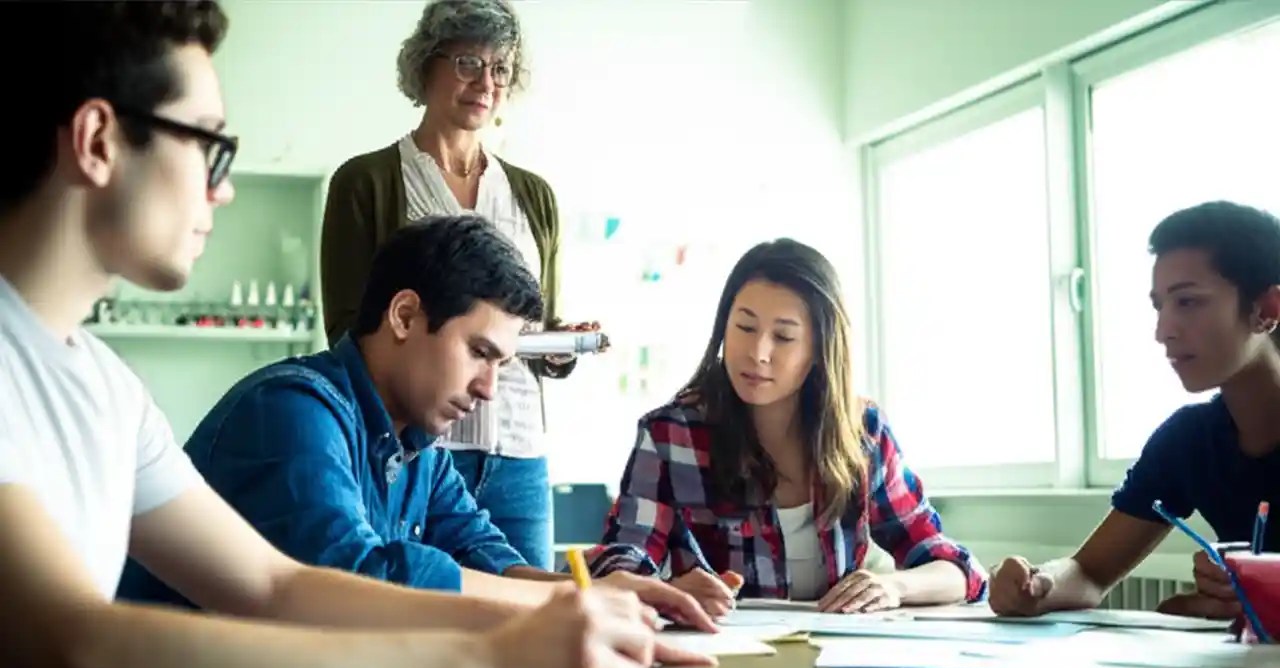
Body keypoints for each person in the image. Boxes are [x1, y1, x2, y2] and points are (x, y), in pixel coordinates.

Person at [0, 3, 705, 668]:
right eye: (208, 144)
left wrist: (579, 605)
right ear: (96, 140)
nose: (224, 186)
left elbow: (278, 587)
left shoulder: (105, 389)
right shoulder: (289, 411)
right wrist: (491, 660)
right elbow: (79, 659)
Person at [118, 214, 715, 632]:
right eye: (479, 353)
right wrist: (575, 602)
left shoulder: (419, 445)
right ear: (405, 315)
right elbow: (357, 583)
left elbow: (482, 554)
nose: (488, 388)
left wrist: (603, 594)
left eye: (502, 364)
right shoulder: (291, 412)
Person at [320, 0, 587, 570]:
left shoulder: (533, 196)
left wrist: (563, 348)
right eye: (468, 61)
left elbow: (534, 330)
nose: (485, 82)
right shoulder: (366, 181)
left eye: (500, 69)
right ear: (426, 65)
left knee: (531, 618)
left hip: (517, 454)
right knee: (417, 613)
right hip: (414, 453)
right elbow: (350, 329)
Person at [586, 239, 987, 615]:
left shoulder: (863, 432)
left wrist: (894, 588)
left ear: (819, 348)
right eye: (744, 327)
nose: (758, 353)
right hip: (723, 657)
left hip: (836, 658)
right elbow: (624, 558)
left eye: (783, 336)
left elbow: (956, 570)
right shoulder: (670, 435)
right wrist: (670, 590)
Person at [989, 200, 1280, 620]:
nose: (1163, 331)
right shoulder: (1189, 440)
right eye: (1158, 306)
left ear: (1266, 310)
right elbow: (1089, 573)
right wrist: (1039, 582)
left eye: (1188, 302)